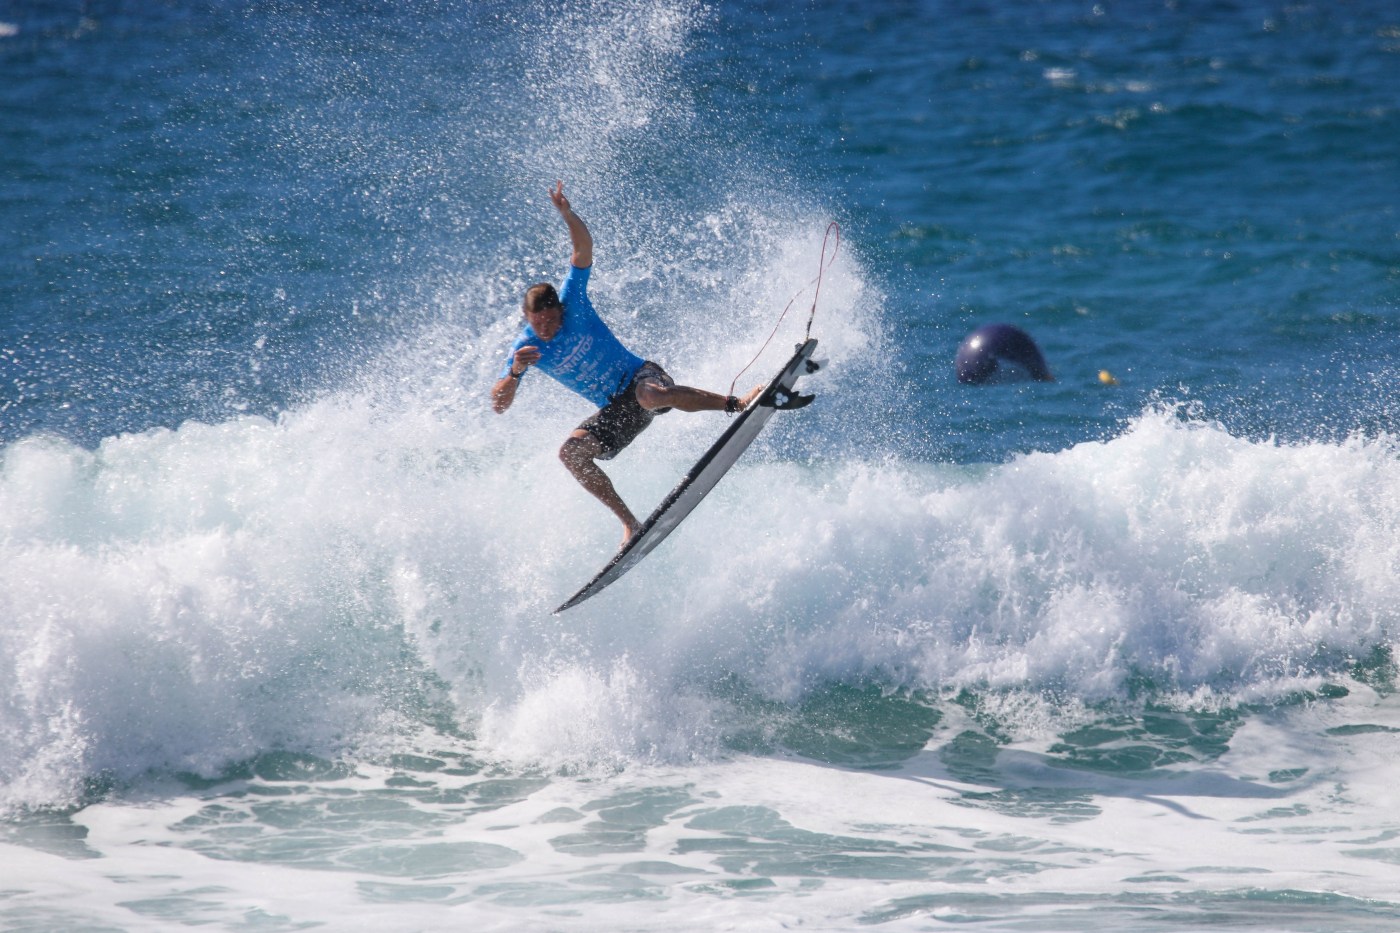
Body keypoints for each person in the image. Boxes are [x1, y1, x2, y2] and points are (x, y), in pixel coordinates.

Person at [492, 182, 762, 547]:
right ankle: (630, 524)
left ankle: (737, 403)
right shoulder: (523, 349)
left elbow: (582, 249)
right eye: (539, 324)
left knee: (650, 394)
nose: (548, 329)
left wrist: (568, 215)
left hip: (642, 377)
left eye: (553, 320)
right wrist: (514, 374)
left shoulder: (574, 302)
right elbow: (499, 404)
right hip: (618, 410)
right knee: (571, 455)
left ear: (560, 309)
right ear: (526, 318)